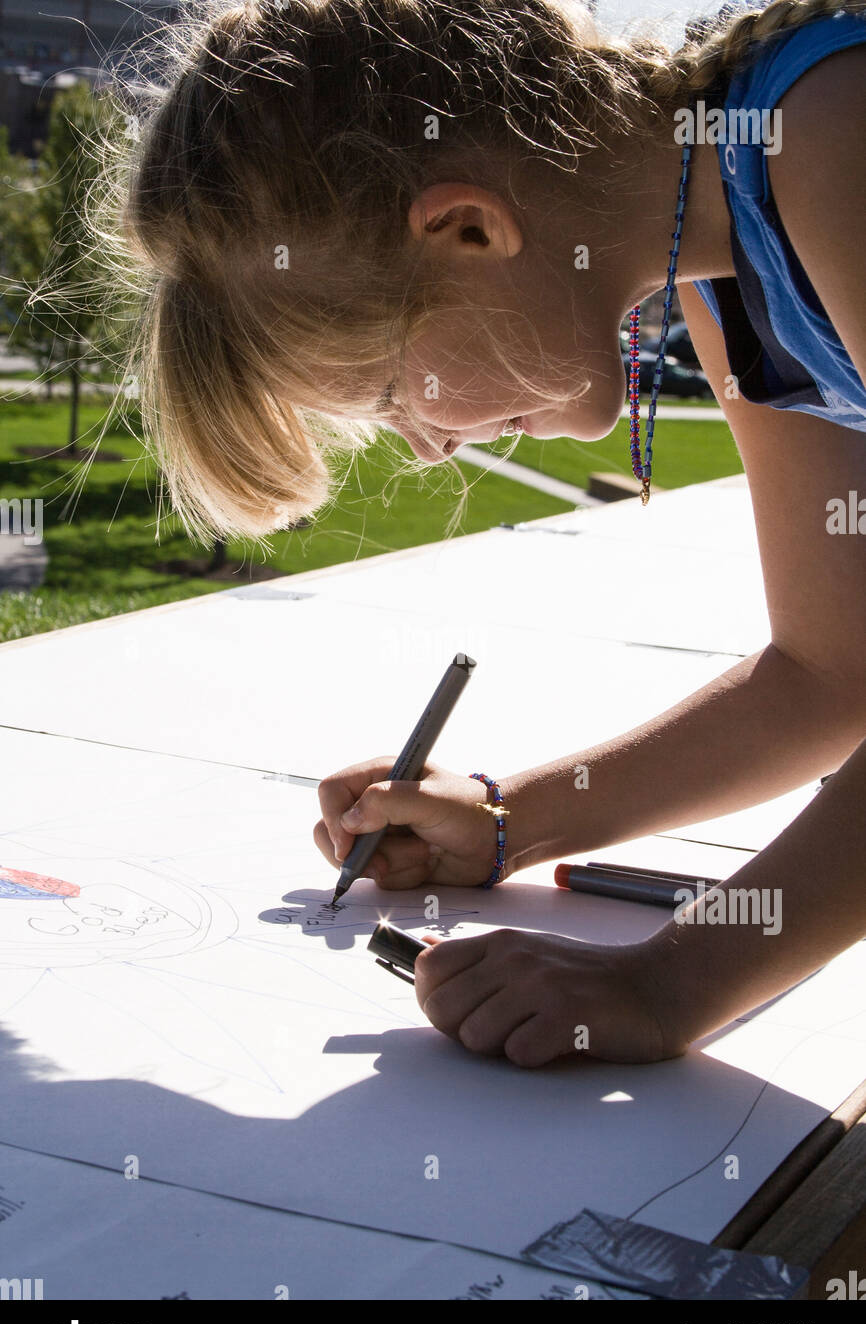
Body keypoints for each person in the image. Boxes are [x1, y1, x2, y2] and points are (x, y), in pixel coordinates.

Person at [117, 0, 866, 1066]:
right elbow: (830, 671)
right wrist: (510, 819)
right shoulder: (721, 257)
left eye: (388, 392)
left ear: (466, 228)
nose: (424, 447)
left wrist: (673, 980)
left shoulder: (831, 130)